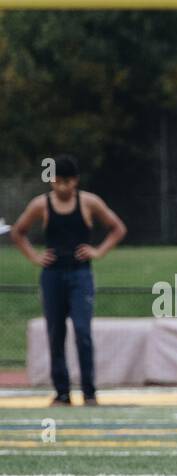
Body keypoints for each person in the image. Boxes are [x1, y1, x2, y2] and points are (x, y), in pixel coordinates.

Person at [10, 154, 127, 406]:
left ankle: (89, 391)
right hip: (52, 275)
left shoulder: (89, 202)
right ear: (51, 181)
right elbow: (18, 232)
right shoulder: (41, 205)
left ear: (75, 181)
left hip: (80, 274)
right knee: (55, 332)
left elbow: (117, 227)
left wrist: (99, 251)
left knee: (83, 331)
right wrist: (34, 257)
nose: (62, 187)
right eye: (57, 181)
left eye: (67, 181)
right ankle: (62, 392)